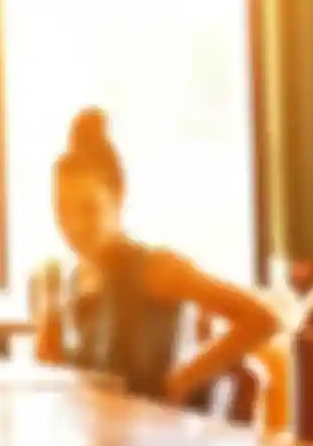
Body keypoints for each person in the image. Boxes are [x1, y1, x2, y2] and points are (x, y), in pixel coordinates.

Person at [46, 108, 279, 403]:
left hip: (150, 440)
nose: (74, 225)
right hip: (97, 439)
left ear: (118, 198)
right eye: (62, 209)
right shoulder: (73, 279)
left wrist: (177, 382)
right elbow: (57, 378)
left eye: (89, 208)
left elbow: (262, 320)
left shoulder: (154, 268)